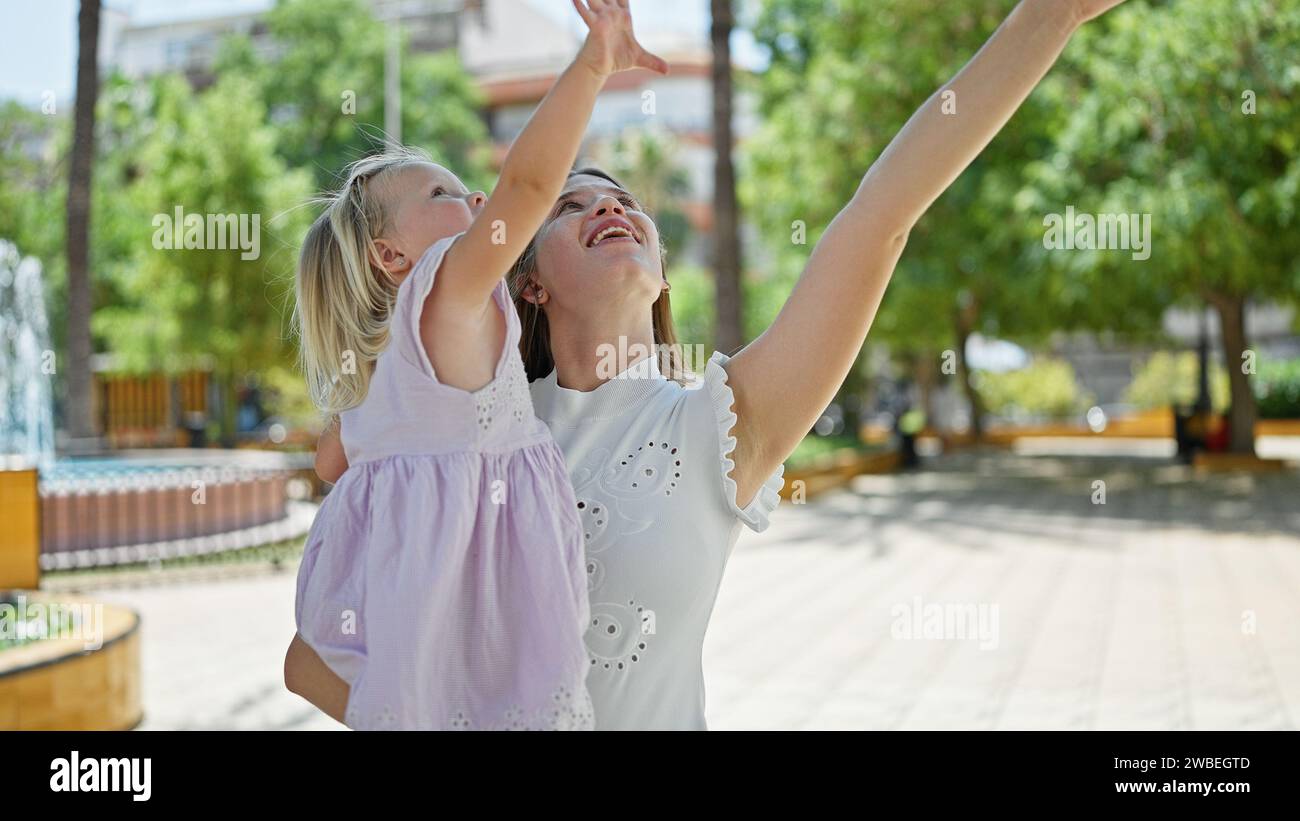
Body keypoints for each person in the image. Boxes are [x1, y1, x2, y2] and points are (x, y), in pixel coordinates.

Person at [287, 0, 667, 729]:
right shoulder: (447, 293)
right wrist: (593, 64)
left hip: (421, 668)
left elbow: (334, 461)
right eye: (445, 194)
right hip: (498, 649)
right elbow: (526, 189)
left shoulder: (380, 367)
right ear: (393, 256)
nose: (474, 198)